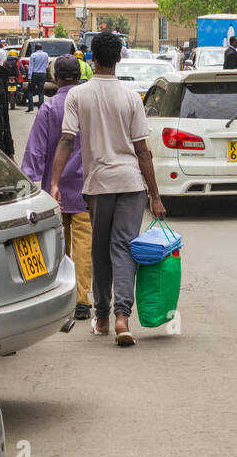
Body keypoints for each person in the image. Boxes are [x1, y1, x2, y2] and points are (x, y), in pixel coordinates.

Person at [50, 31, 167, 347]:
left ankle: (101, 318)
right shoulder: (131, 97)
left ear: (92, 58)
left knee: (100, 249)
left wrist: (55, 182)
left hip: (98, 185)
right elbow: (143, 151)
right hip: (131, 183)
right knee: (124, 247)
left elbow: (66, 139)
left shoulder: (78, 95)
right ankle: (121, 318)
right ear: (118, 59)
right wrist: (154, 196)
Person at [22, 55, 92, 320]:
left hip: (54, 191)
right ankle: (83, 298)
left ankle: (62, 295)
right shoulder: (89, 105)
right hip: (87, 188)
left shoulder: (49, 108)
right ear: (79, 75)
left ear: (55, 78)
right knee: (85, 245)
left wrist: (27, 188)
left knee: (57, 244)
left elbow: (36, 153)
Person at [27, 42, 49, 111]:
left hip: (35, 74)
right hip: (43, 74)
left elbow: (31, 67)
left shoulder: (33, 55)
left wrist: (29, 77)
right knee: (41, 91)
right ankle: (41, 107)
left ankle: (31, 107)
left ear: (36, 48)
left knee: (30, 90)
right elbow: (47, 65)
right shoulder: (46, 55)